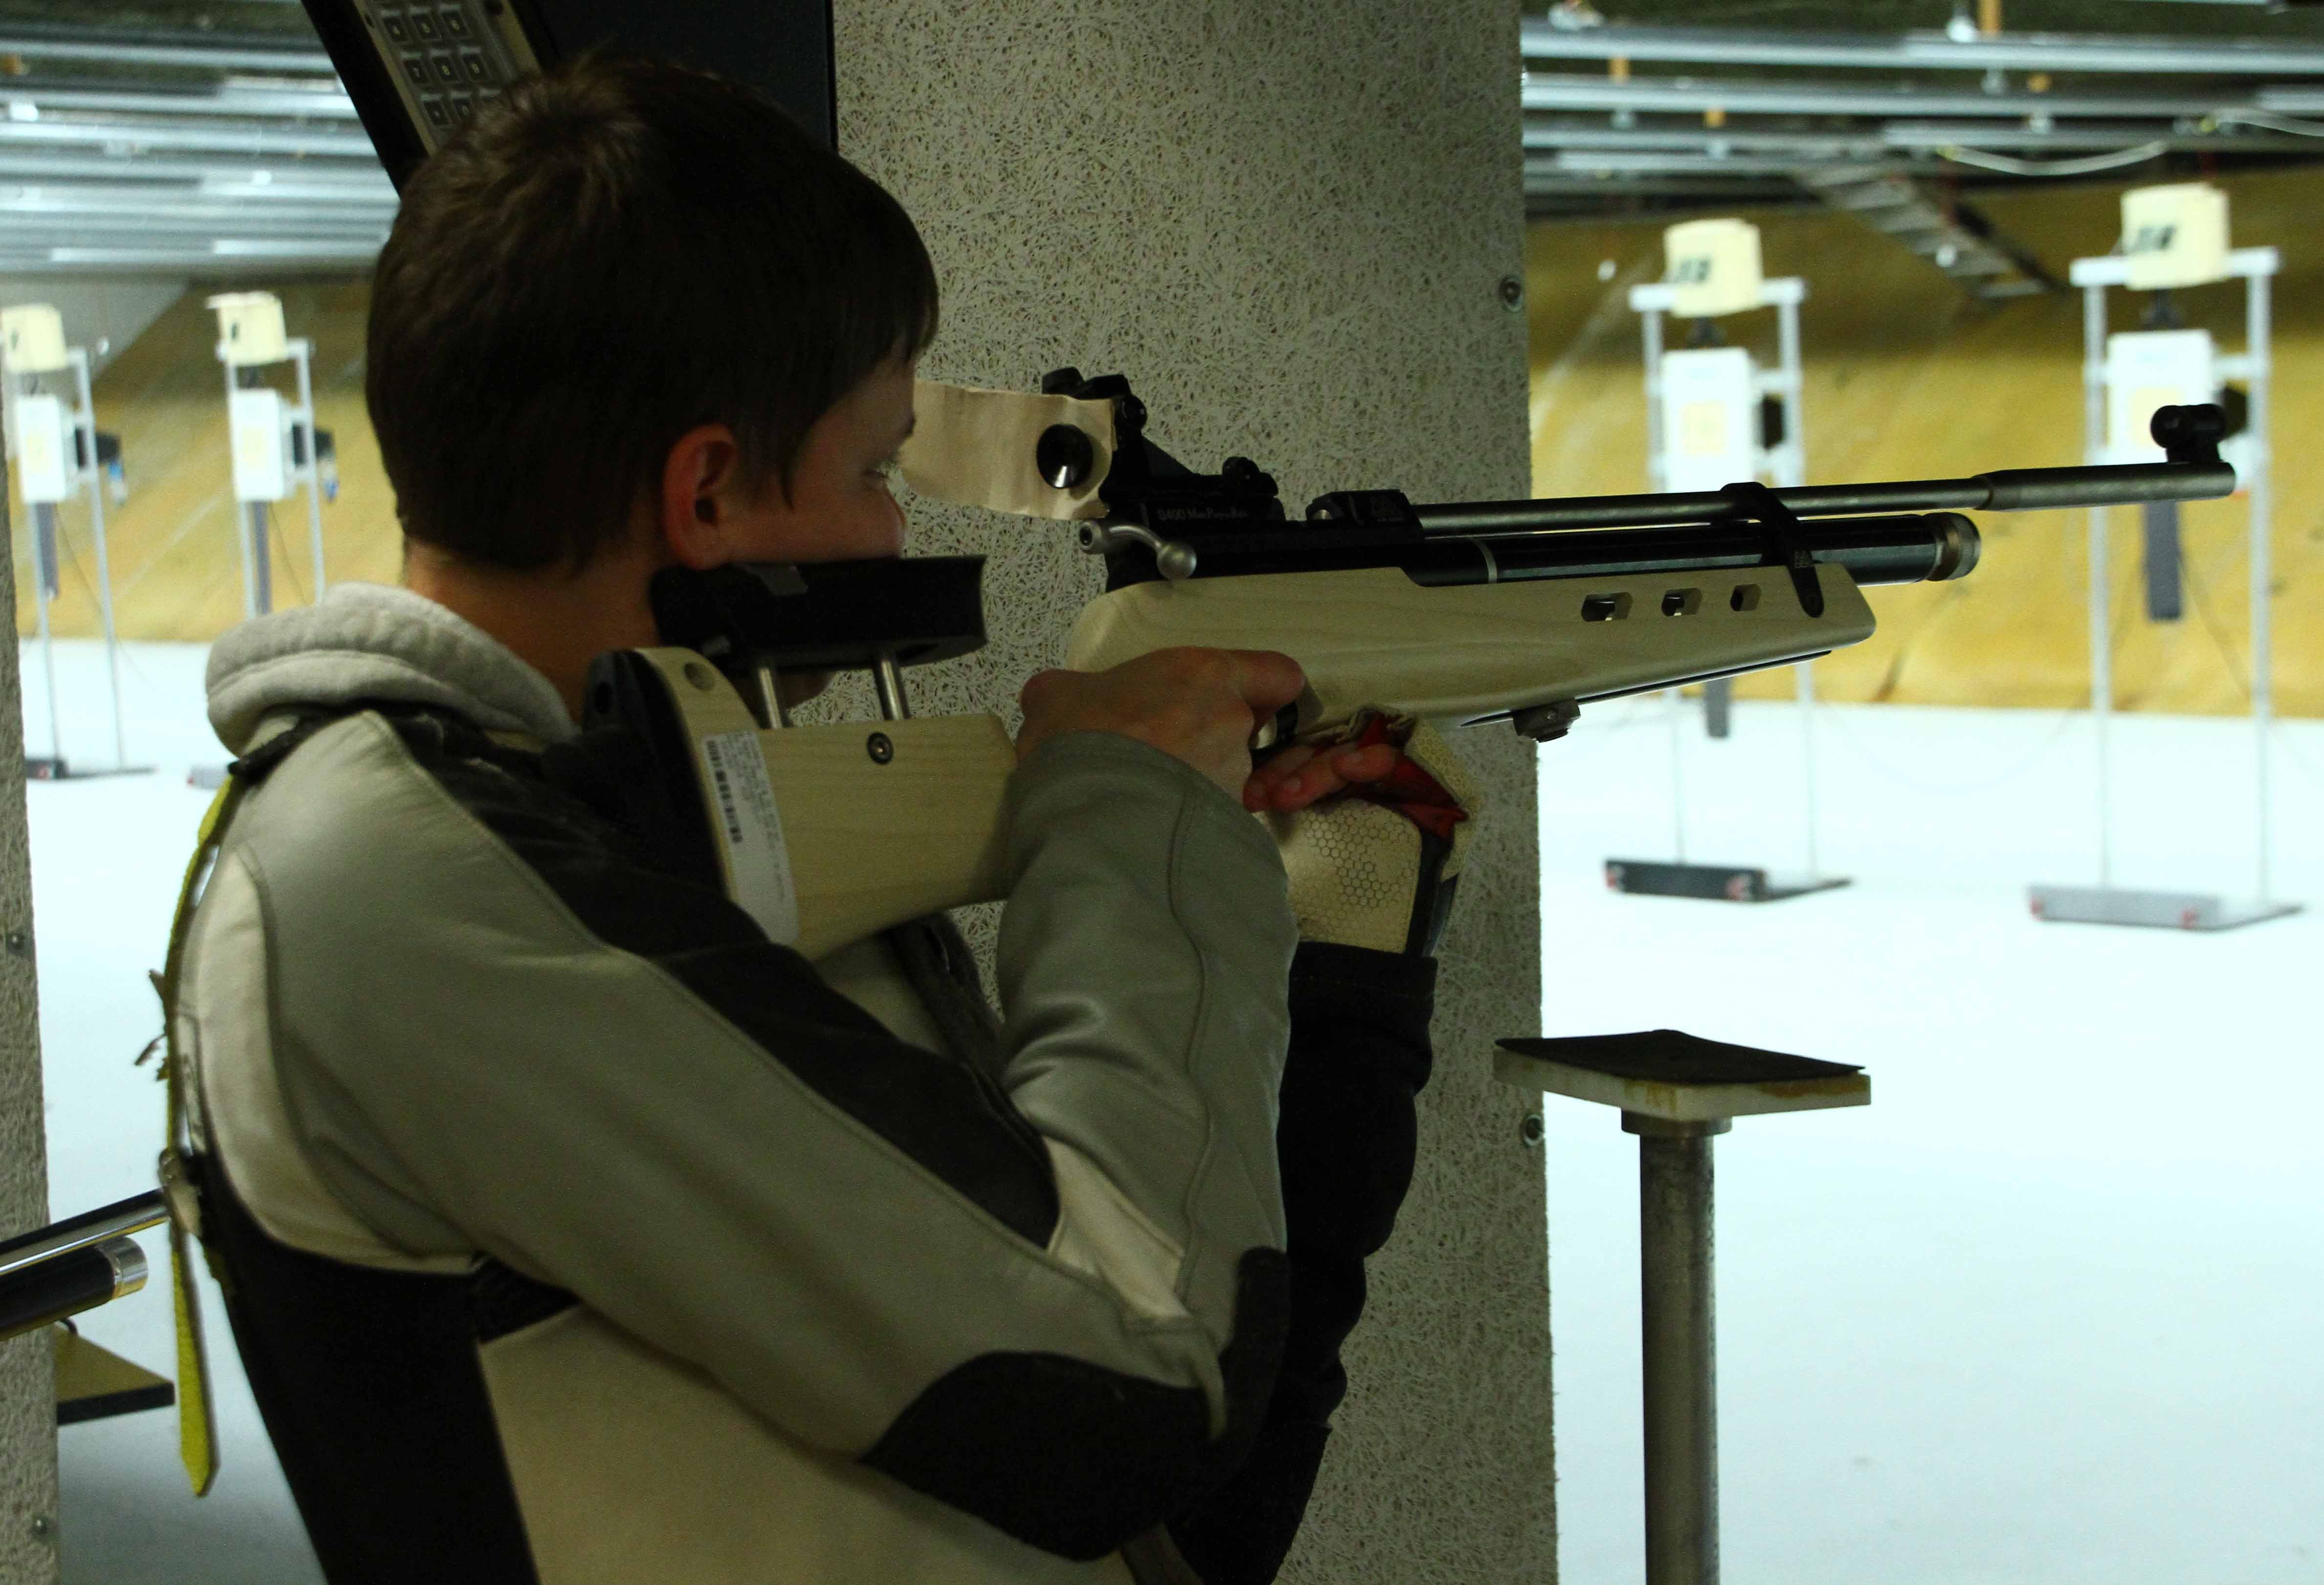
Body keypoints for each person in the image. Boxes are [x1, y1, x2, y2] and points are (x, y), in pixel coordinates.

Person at [167, 53, 1475, 1585]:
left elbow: (1173, 1509)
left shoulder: (609, 826)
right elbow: (1133, 1372)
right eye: (871, 466)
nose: (892, 529)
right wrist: (1131, 811)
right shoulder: (401, 889)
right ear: (710, 495)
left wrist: (1333, 942)